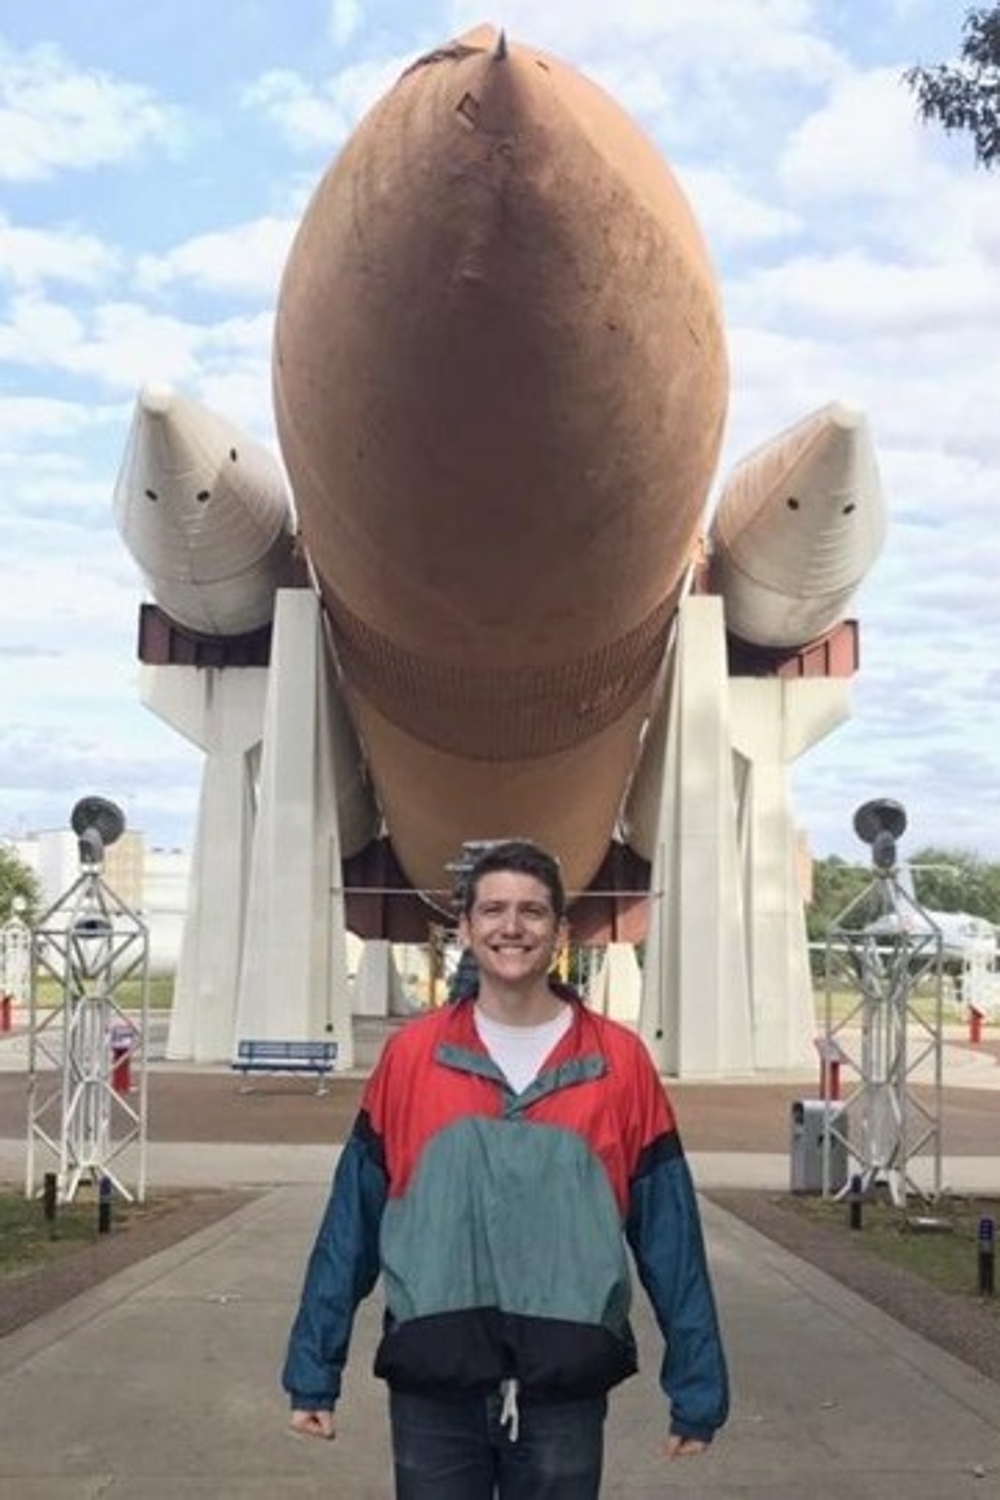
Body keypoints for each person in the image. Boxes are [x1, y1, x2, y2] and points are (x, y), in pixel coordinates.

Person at [282, 838, 728, 1497]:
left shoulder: (620, 1064)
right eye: (492, 910)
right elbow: (351, 1222)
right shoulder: (412, 1058)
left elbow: (672, 1237)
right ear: (464, 928)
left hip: (565, 1382)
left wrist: (697, 1384)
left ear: (561, 931)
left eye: (532, 911)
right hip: (435, 1378)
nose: (511, 927)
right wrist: (313, 1370)